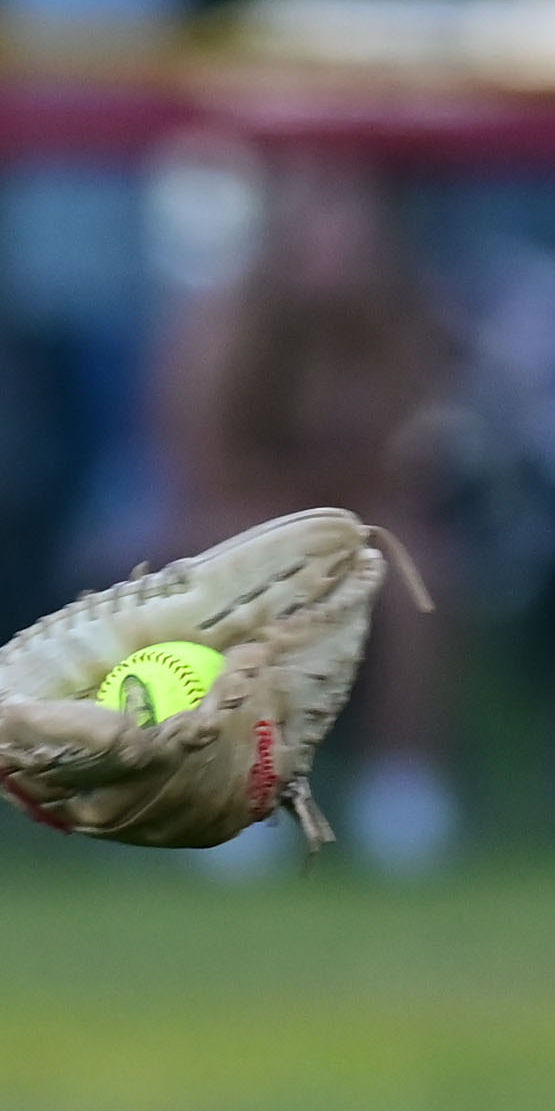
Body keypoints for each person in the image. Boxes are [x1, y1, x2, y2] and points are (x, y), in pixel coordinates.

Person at [153, 153, 458, 872]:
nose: (332, 250)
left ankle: (402, 786)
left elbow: (409, 461)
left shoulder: (398, 327)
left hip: (356, 524)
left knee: (421, 568)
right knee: (238, 578)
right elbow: (205, 464)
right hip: (236, 520)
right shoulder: (223, 328)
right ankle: (232, 789)